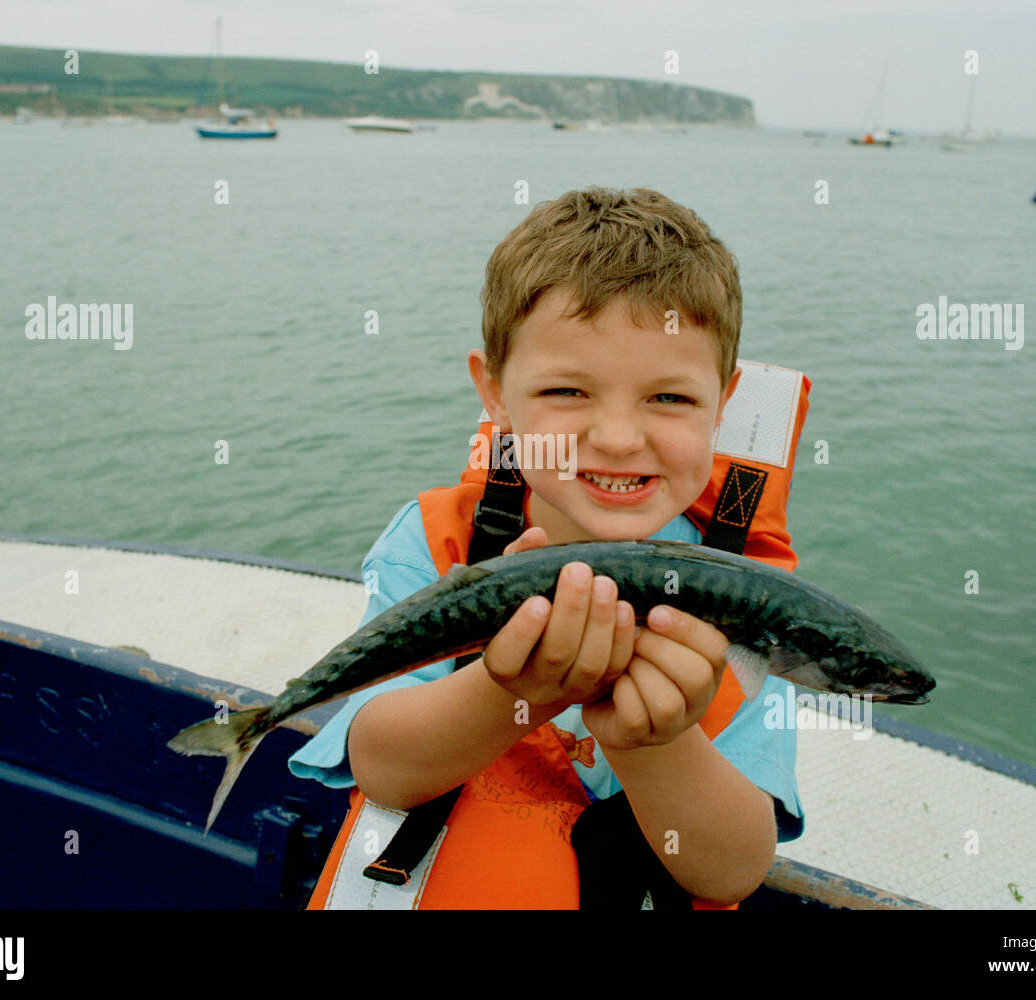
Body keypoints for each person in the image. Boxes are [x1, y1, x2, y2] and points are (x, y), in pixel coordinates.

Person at [291, 186, 805, 909]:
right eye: (568, 390)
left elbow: (728, 870)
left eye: (670, 398)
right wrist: (510, 692)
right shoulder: (437, 545)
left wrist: (649, 738)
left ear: (724, 400)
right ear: (495, 394)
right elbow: (385, 767)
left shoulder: (748, 601)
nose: (620, 438)